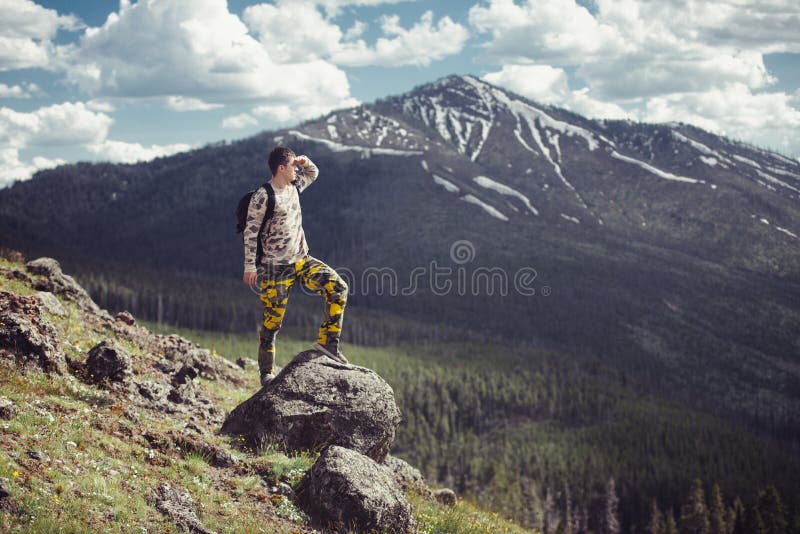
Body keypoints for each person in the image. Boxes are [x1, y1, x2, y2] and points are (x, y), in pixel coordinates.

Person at [242, 146, 349, 386]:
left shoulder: (294, 186)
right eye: (292, 165)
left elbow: (313, 173)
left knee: (338, 288)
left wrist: (303, 160)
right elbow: (250, 232)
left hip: (302, 260)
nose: (297, 169)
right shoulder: (263, 196)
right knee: (272, 322)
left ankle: (328, 344)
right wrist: (249, 265)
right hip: (274, 268)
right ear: (281, 168)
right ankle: (266, 373)